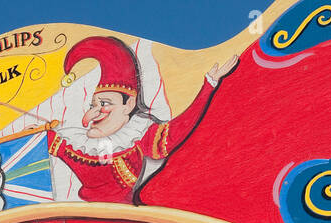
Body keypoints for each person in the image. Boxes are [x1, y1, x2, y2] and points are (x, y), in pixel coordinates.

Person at [43, 35, 237, 204]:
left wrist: (208, 86)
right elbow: (37, 145)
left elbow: (179, 130)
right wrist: (37, 134)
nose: (95, 113)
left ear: (128, 105)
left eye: (104, 103)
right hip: (80, 222)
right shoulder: (76, 145)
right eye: (93, 105)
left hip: (124, 221)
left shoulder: (139, 136)